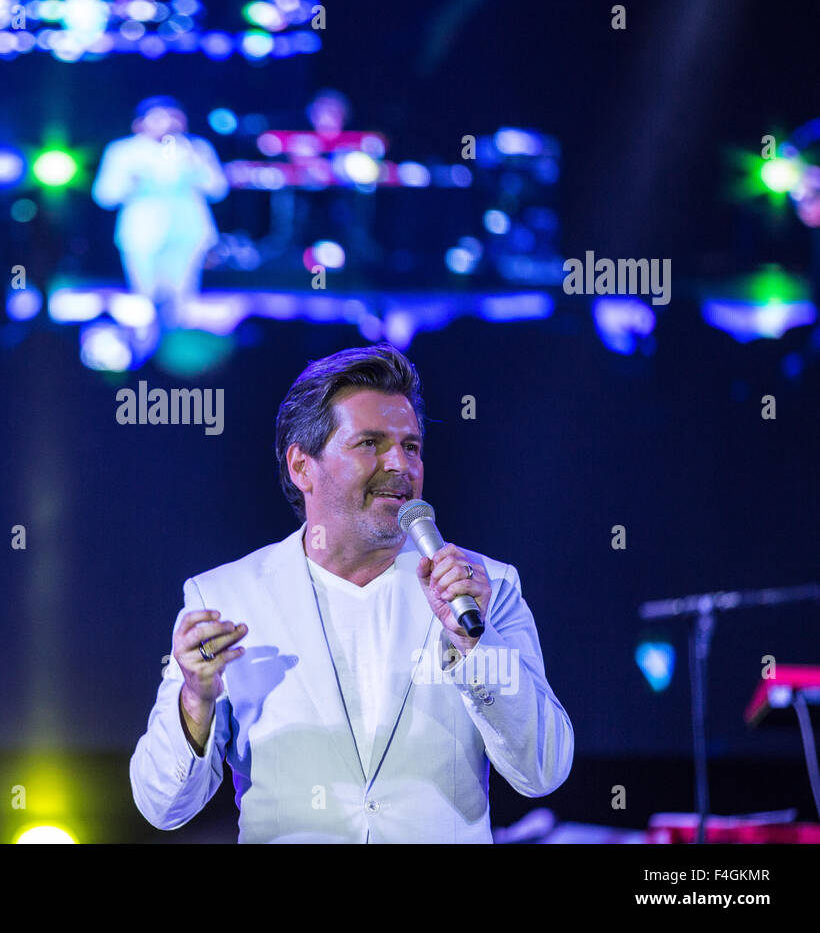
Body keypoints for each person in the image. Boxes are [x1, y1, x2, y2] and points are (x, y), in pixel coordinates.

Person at [130, 343, 573, 842]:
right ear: (302, 466)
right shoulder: (224, 596)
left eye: (411, 446)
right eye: (370, 443)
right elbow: (162, 806)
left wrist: (477, 646)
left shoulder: (484, 587)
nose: (400, 466)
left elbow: (544, 770)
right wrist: (195, 699)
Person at [91, 96, 228, 325]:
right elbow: (105, 196)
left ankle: (174, 350)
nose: (166, 123)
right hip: (142, 234)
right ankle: (147, 352)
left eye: (173, 118)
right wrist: (131, 180)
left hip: (188, 233)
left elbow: (218, 189)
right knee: (145, 300)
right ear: (140, 123)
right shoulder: (123, 151)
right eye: (158, 118)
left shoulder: (197, 148)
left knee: (182, 300)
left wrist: (194, 165)